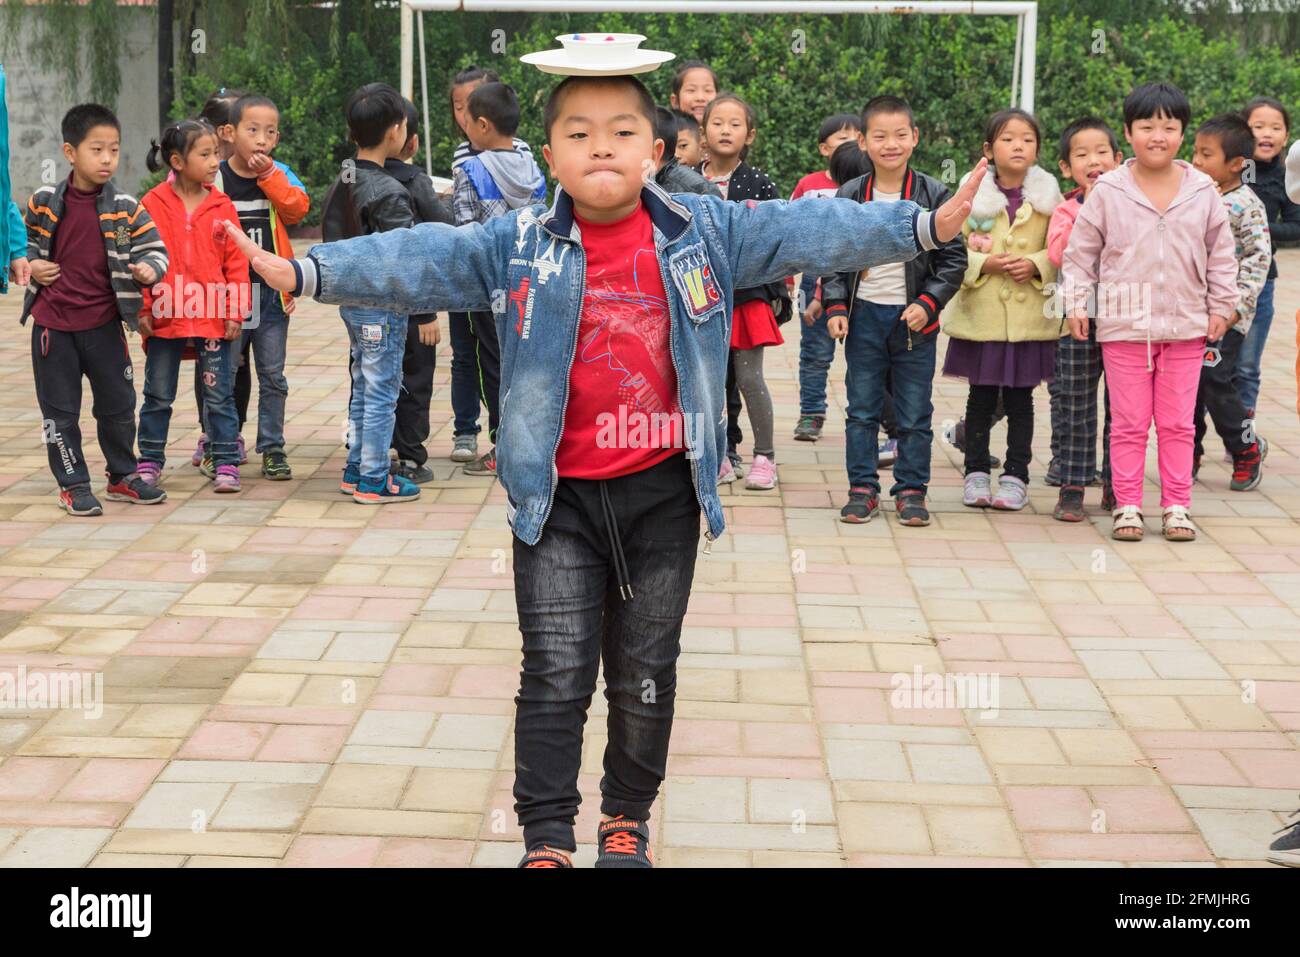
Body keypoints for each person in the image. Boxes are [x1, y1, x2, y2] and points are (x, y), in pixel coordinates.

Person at [221, 43, 984, 867]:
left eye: (622, 131)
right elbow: (424, 258)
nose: (602, 148)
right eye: (579, 133)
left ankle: (626, 820)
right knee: (553, 671)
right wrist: (307, 270)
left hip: (665, 494)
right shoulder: (517, 241)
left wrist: (919, 225)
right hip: (556, 501)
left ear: (656, 151)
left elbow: (805, 226)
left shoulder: (707, 231)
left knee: (646, 668)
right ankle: (546, 837)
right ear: (548, 154)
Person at [1061, 82, 1238, 543]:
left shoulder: (1202, 190)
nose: (1157, 136)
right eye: (1146, 126)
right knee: (1129, 423)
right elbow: (1081, 253)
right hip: (1124, 327)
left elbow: (1221, 255)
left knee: (1179, 423)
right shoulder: (1108, 190)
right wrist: (1077, 303)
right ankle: (1128, 505)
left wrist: (1223, 305)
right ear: (1128, 132)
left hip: (1186, 327)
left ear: (1183, 132)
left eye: (1169, 126)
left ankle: (1177, 506)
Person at [822, 95, 967, 526]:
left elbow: (953, 258)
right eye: (880, 136)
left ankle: (911, 490)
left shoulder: (933, 193)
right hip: (863, 316)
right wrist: (834, 303)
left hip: (914, 322)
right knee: (862, 408)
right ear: (863, 142)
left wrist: (929, 302)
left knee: (914, 412)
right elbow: (831, 252)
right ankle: (862, 488)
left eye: (900, 135)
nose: (891, 144)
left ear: (915, 138)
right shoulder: (850, 194)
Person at [20, 104, 169, 515]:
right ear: (70, 152)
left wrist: (147, 270)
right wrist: (31, 262)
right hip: (54, 328)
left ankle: (123, 476)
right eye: (96, 149)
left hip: (105, 327)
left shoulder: (126, 206)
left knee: (119, 407)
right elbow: (22, 242)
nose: (107, 159)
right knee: (60, 413)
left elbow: (156, 250)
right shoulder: (44, 201)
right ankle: (73, 484)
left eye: (114, 150)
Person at [944, 108, 1062, 512]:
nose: (1018, 145)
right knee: (980, 398)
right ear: (988, 149)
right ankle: (975, 472)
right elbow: (950, 248)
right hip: (984, 317)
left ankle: (1016, 476)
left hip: (1029, 319)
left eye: (1027, 139)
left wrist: (1037, 264)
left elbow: (1062, 246)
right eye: (1009, 138)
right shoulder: (969, 194)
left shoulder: (1049, 196)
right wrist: (984, 264)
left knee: (1020, 402)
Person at [138, 119, 249, 492]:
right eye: (205, 154)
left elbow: (237, 264)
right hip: (165, 316)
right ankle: (150, 461)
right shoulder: (151, 204)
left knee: (219, 395)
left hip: (214, 317)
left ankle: (227, 463)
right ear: (177, 160)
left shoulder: (222, 204)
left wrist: (236, 312)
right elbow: (138, 259)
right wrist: (142, 309)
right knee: (157, 394)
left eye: (216, 153)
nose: (216, 161)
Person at [1046, 117, 1122, 522]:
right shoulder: (1064, 209)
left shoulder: (1134, 202)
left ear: (1119, 158)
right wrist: (1089, 209)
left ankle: (1116, 483)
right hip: (1076, 314)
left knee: (1123, 405)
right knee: (1075, 401)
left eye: (1102, 153)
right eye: (1082, 154)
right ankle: (1073, 484)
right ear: (1066, 167)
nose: (1093, 160)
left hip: (1127, 312)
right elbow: (1059, 254)